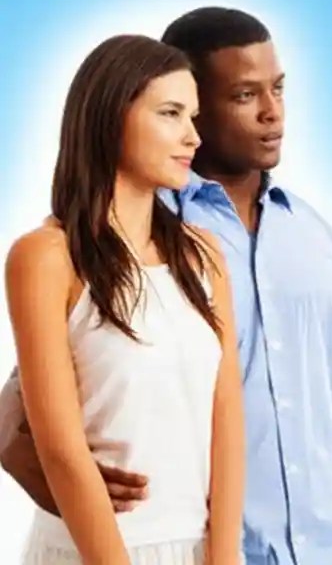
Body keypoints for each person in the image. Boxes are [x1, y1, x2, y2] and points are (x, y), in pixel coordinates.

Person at [0, 7, 332, 564]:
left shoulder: (329, 245)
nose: (272, 112)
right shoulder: (115, 235)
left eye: (278, 89)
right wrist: (21, 446)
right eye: (244, 95)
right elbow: (41, 390)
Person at [3, 34, 245, 563]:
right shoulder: (45, 257)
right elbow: (60, 449)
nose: (193, 137)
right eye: (170, 114)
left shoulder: (204, 255)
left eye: (193, 117)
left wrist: (225, 555)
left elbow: (226, 415)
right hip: (93, 550)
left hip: (199, 547)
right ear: (111, 116)